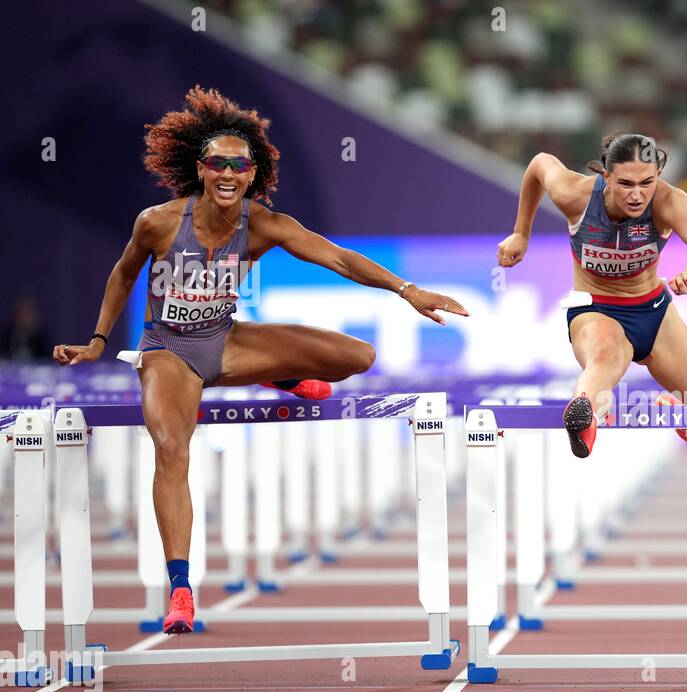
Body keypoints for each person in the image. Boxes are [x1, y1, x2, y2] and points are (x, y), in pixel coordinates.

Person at [53, 86, 467, 634]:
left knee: (358, 356)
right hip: (168, 349)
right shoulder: (157, 222)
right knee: (173, 449)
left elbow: (338, 258)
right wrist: (100, 340)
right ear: (200, 169)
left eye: (239, 164)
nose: (229, 173)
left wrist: (405, 288)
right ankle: (180, 587)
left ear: (253, 173)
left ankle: (281, 373)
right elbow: (124, 272)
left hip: (226, 340)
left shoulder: (264, 224)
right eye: (218, 163)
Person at [497, 131, 687, 458]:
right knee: (604, 357)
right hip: (596, 309)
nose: (637, 195)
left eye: (646, 183)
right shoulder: (575, 194)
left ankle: (680, 414)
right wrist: (521, 232)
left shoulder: (668, 200)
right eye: (625, 184)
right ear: (606, 176)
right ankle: (585, 414)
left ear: (658, 175)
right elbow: (538, 165)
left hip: (656, 315)